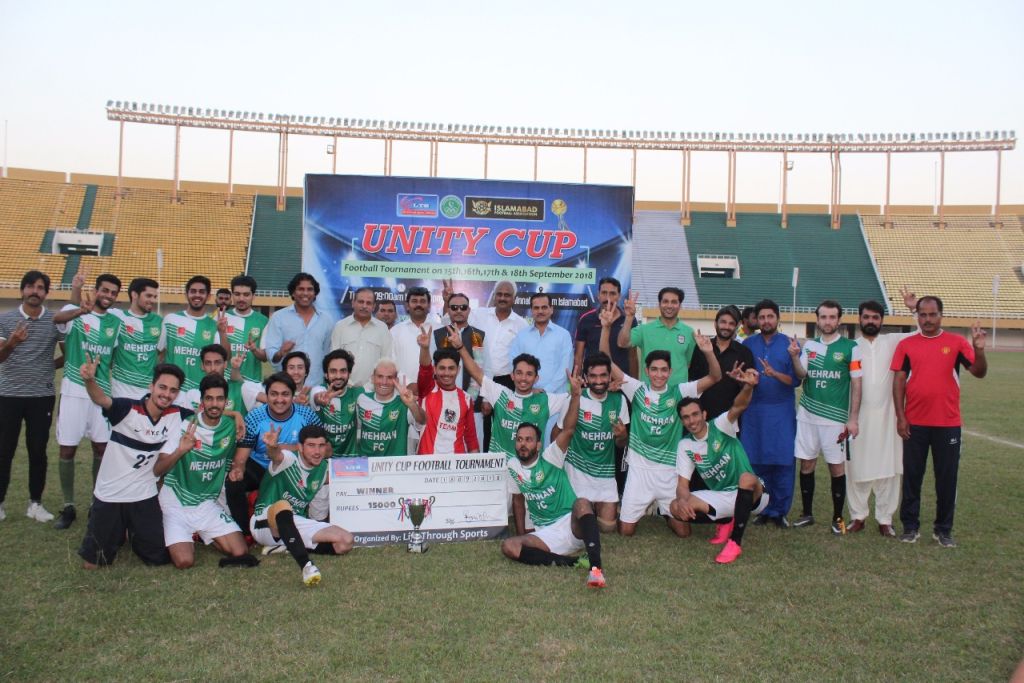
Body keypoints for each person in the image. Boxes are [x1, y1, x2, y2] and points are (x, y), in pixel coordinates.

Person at [599, 315, 722, 537]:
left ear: (669, 372)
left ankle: (666, 512)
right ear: (647, 371)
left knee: (684, 532)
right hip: (639, 471)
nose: (659, 374)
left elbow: (715, 377)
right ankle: (650, 507)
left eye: (664, 370)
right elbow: (606, 360)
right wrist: (606, 328)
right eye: (654, 369)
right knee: (625, 531)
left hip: (668, 472)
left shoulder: (680, 392)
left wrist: (708, 352)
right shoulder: (636, 389)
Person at [891, 296, 987, 548]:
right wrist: (901, 417)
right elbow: (899, 381)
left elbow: (979, 372)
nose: (928, 319)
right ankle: (910, 528)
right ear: (918, 316)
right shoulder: (907, 344)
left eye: (932, 314)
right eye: (923, 315)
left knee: (946, 479)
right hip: (915, 424)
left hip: (947, 424)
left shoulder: (956, 343)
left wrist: (978, 349)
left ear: (941, 315)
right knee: (912, 477)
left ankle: (943, 530)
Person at [500, 372, 608, 589]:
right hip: (545, 534)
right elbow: (518, 501)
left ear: (538, 445)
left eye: (529, 440)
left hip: (570, 525)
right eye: (520, 439)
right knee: (510, 546)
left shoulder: (551, 456)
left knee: (583, 503)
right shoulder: (512, 466)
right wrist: (523, 536)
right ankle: (573, 562)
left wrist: (576, 396)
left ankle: (595, 569)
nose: (523, 444)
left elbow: (568, 429)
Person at [76, 361, 188, 568]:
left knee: (157, 559)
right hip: (111, 494)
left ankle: (128, 530)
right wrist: (89, 379)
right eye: (162, 387)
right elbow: (101, 399)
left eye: (173, 390)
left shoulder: (175, 414)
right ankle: (116, 528)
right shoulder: (127, 409)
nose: (167, 394)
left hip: (143, 495)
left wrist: (234, 415)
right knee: (93, 564)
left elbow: (206, 414)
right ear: (151, 387)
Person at [154, 373, 253, 569]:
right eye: (209, 398)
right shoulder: (185, 426)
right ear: (201, 401)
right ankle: (179, 531)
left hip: (207, 503)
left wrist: (237, 469)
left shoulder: (231, 427)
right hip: (176, 503)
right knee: (184, 562)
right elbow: (158, 469)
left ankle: (202, 533)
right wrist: (180, 450)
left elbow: (237, 457)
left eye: (219, 399)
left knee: (240, 552)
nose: (214, 404)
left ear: (226, 402)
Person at [671, 367, 767, 564]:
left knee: (747, 478)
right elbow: (682, 485)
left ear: (704, 414)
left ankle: (734, 542)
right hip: (723, 497)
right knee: (674, 507)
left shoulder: (721, 426)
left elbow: (738, 406)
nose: (692, 420)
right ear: (682, 421)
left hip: (753, 494)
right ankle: (725, 520)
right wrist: (681, 501)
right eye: (686, 417)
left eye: (695, 414)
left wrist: (748, 387)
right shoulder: (685, 445)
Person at [53, 273, 124, 530]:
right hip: (73, 393)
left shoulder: (116, 322)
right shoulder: (76, 313)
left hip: (101, 396)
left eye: (113, 292)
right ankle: (69, 505)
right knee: (67, 449)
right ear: (96, 290)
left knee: (102, 449)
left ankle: (97, 503)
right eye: (104, 290)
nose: (108, 295)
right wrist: (78, 311)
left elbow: (114, 357)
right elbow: (56, 319)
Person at [790, 300, 863, 535]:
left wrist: (853, 418)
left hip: (834, 419)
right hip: (808, 415)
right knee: (807, 463)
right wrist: (794, 356)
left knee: (836, 467)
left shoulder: (851, 347)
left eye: (832, 317)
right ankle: (807, 513)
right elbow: (802, 375)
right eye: (823, 317)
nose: (828, 321)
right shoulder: (811, 346)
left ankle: (838, 517)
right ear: (817, 319)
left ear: (839, 320)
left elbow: (857, 383)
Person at [848, 292, 917, 537]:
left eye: (875, 317)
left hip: (889, 417)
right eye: (866, 317)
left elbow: (921, 333)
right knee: (856, 466)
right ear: (859, 319)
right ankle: (858, 516)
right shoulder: (851, 347)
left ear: (881, 321)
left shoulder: (893, 341)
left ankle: (885, 519)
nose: (870, 321)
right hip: (858, 418)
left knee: (889, 468)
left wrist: (913, 310)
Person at [251, 424, 354, 586]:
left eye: (321, 446)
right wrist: (272, 447)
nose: (317, 451)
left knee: (345, 541)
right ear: (300, 447)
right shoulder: (289, 459)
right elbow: (276, 456)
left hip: (293, 522)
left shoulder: (322, 469)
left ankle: (284, 545)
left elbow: (351, 476)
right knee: (282, 505)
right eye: (311, 446)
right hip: (263, 523)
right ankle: (306, 565)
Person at [0, 270, 64, 523]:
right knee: (4, 451)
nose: (34, 291)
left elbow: (68, 355)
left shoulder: (54, 320)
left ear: (46, 293)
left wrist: (48, 367)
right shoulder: (6, 320)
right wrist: (13, 342)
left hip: (42, 396)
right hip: (8, 395)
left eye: (40, 287)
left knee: (38, 451)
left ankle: (35, 504)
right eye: (30, 287)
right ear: (22, 290)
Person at [226, 372, 322, 535]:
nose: (279, 400)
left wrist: (284, 448)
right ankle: (244, 532)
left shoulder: (306, 415)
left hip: (292, 471)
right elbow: (241, 458)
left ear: (293, 395)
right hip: (261, 468)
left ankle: (312, 522)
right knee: (233, 481)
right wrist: (238, 471)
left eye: (285, 394)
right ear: (267, 395)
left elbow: (326, 449)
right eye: (274, 394)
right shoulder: (255, 417)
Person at [553, 349, 629, 533]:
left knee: (607, 527)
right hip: (578, 473)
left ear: (610, 376)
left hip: (605, 475)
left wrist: (622, 436)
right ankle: (578, 503)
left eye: (603, 375)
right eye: (593, 376)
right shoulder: (575, 399)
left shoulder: (619, 400)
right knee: (582, 526)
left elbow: (621, 445)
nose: (599, 381)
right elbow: (557, 435)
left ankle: (598, 506)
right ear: (586, 377)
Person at [742, 299, 799, 528]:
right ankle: (761, 508)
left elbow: (794, 381)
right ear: (757, 320)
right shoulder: (748, 344)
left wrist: (774, 373)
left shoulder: (789, 345)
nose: (766, 321)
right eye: (762, 317)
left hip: (781, 411)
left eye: (770, 317)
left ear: (777, 318)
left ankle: (779, 511)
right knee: (755, 459)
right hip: (754, 410)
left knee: (783, 460)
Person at [465, 280, 528, 451]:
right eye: (499, 294)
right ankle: (482, 465)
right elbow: (455, 321)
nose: (502, 298)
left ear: (514, 298)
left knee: (502, 427)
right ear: (494, 296)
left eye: (507, 295)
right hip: (477, 378)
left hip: (505, 382)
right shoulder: (479, 315)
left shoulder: (521, 325)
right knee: (477, 424)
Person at [262, 272, 334, 387]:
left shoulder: (326, 320)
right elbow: (271, 356)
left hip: (316, 386)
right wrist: (281, 352)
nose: (305, 293)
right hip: (286, 386)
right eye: (301, 289)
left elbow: (327, 354)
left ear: (315, 293)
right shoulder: (278, 317)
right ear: (293, 293)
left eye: (310, 289)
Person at [418, 326, 480, 454]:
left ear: (458, 370)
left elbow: (471, 439)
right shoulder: (428, 389)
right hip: (427, 465)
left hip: (455, 469)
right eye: (442, 368)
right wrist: (425, 348)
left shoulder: (466, 398)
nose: (446, 373)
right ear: (435, 369)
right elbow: (425, 369)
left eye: (451, 368)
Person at [688, 305, 756, 419]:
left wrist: (739, 381)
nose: (726, 327)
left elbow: (748, 387)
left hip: (730, 417)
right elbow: (692, 380)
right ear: (715, 324)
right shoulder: (702, 348)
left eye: (731, 323)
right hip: (702, 415)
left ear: (737, 326)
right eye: (723, 322)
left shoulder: (744, 352)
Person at [617, 286, 696, 385]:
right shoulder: (644, 330)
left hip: (678, 395)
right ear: (659, 304)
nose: (669, 305)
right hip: (649, 395)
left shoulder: (689, 332)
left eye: (674, 302)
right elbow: (622, 343)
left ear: (680, 305)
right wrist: (629, 317)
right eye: (665, 301)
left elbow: (687, 364)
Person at [160, 275, 224, 392]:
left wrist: (222, 332)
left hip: (198, 390)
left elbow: (222, 359)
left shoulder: (214, 325)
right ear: (186, 294)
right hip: (172, 390)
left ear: (208, 296)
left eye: (202, 292)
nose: (197, 295)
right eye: (193, 291)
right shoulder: (170, 320)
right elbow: (160, 353)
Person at [354, 359, 425, 456]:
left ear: (396, 381)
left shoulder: (403, 403)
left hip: (394, 468)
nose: (384, 382)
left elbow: (422, 421)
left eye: (389, 377)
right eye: (380, 376)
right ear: (372, 378)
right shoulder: (362, 399)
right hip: (366, 466)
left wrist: (412, 404)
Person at [508, 292, 573, 394]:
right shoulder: (522, 336)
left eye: (544, 307)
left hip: (555, 398)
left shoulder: (564, 335)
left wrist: (545, 391)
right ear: (531, 311)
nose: (540, 311)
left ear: (551, 309)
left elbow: (565, 369)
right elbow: (513, 364)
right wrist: (529, 389)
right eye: (536, 308)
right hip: (527, 395)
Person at [109, 277, 162, 400]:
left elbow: (163, 351)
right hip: (121, 391)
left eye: (155, 297)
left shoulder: (159, 321)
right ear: (134, 295)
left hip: (149, 392)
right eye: (148, 296)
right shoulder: (117, 316)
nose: (152, 300)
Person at [332, 286, 394, 389]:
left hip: (373, 390)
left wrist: (371, 385)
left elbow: (386, 362)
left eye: (368, 303)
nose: (364, 306)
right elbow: (334, 360)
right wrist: (346, 383)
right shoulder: (340, 326)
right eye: (361, 302)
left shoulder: (382, 328)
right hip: (344, 388)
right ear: (353, 303)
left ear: (374, 306)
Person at [574, 277, 637, 376]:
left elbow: (632, 356)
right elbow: (578, 356)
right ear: (598, 295)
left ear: (619, 296)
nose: (608, 298)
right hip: (594, 381)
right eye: (604, 293)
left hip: (621, 383)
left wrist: (634, 384)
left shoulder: (630, 320)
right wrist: (577, 382)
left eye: (612, 293)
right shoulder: (586, 319)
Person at [310, 349, 360, 456]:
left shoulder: (357, 393)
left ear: (349, 373)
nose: (338, 376)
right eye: (333, 371)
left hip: (351, 460)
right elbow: (317, 397)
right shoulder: (318, 390)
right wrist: (320, 399)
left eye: (343, 371)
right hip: (324, 460)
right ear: (326, 374)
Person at [223, 275, 269, 384]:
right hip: (225, 382)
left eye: (246, 294)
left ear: (253, 296)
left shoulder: (263, 321)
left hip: (252, 383)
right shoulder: (222, 318)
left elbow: (265, 357)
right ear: (232, 295)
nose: (241, 299)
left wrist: (254, 349)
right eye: (237, 294)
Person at [390, 286, 440, 381]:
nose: (418, 304)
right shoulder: (395, 331)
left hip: (434, 388)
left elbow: (445, 362)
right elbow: (392, 362)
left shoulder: (440, 329)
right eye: (414, 301)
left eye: (422, 301)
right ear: (407, 306)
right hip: (403, 388)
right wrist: (407, 384)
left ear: (429, 305)